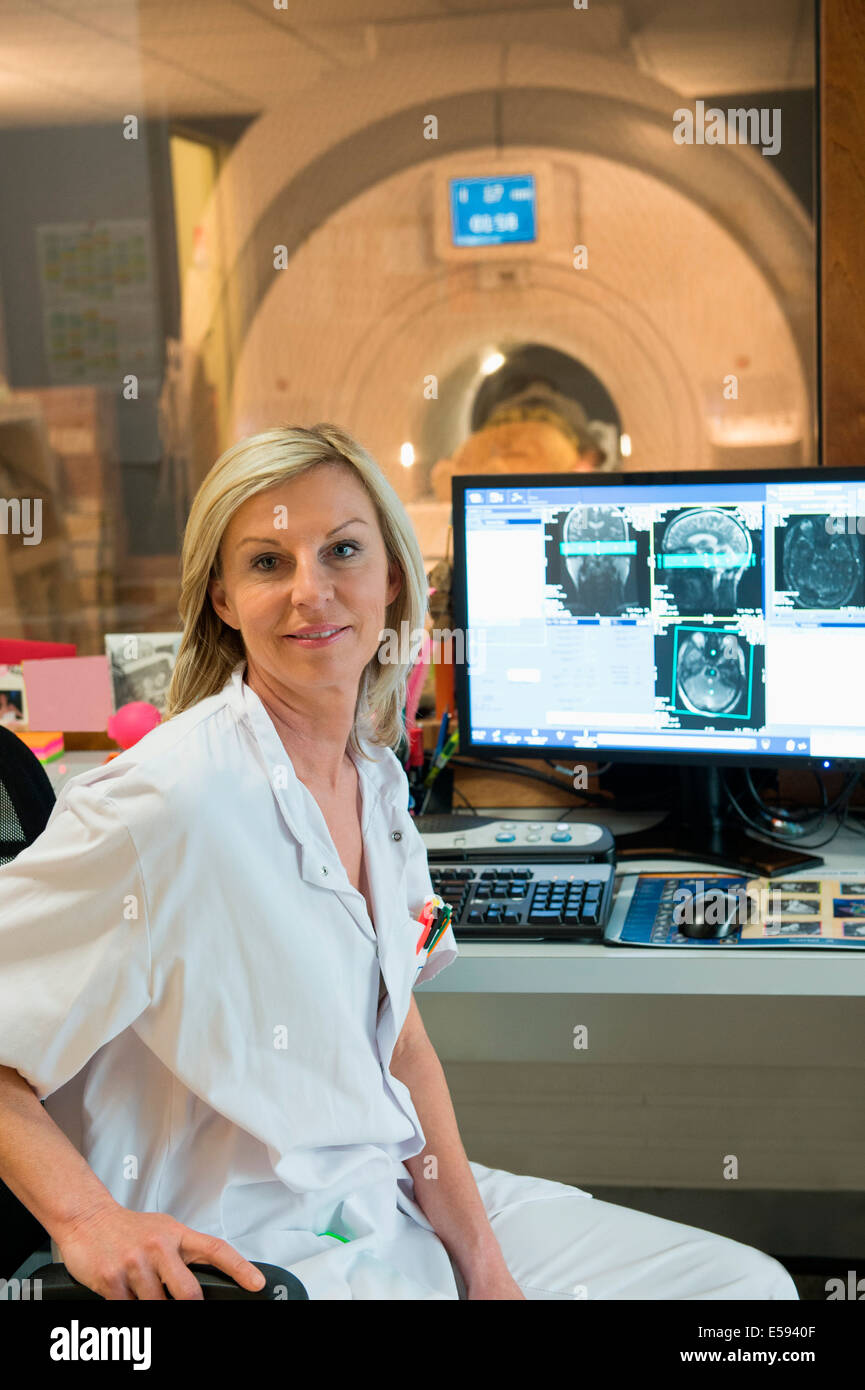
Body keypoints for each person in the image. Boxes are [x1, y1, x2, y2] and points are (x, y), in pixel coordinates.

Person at [0, 424, 798, 1300]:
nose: (312, 591)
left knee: (745, 1294)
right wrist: (85, 1219)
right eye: (267, 562)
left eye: (341, 549)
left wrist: (486, 1271)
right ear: (223, 598)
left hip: (382, 1197)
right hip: (257, 1251)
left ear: (390, 578)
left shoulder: (375, 782)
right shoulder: (166, 802)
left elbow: (400, 1046)